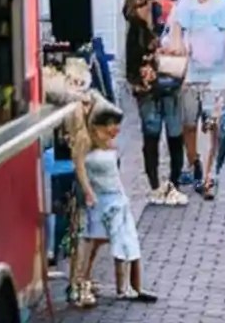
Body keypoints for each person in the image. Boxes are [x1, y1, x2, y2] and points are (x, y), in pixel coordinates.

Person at [167, 0, 225, 199]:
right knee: (189, 124)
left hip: (215, 78)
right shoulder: (184, 7)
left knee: (211, 126)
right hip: (189, 76)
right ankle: (195, 165)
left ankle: (209, 176)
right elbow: (175, 36)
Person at [72, 107, 157, 306]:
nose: (115, 129)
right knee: (95, 242)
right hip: (99, 199)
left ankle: (132, 287)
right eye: (110, 125)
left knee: (127, 241)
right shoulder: (85, 143)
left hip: (116, 198)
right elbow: (80, 169)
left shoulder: (109, 144)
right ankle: (84, 281)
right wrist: (88, 192)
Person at [123, 0, 187, 207]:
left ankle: (161, 184)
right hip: (154, 90)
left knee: (158, 137)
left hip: (156, 90)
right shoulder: (138, 30)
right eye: (140, 4)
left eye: (145, 3)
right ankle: (166, 183)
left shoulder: (148, 26)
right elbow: (137, 64)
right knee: (166, 135)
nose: (145, 7)